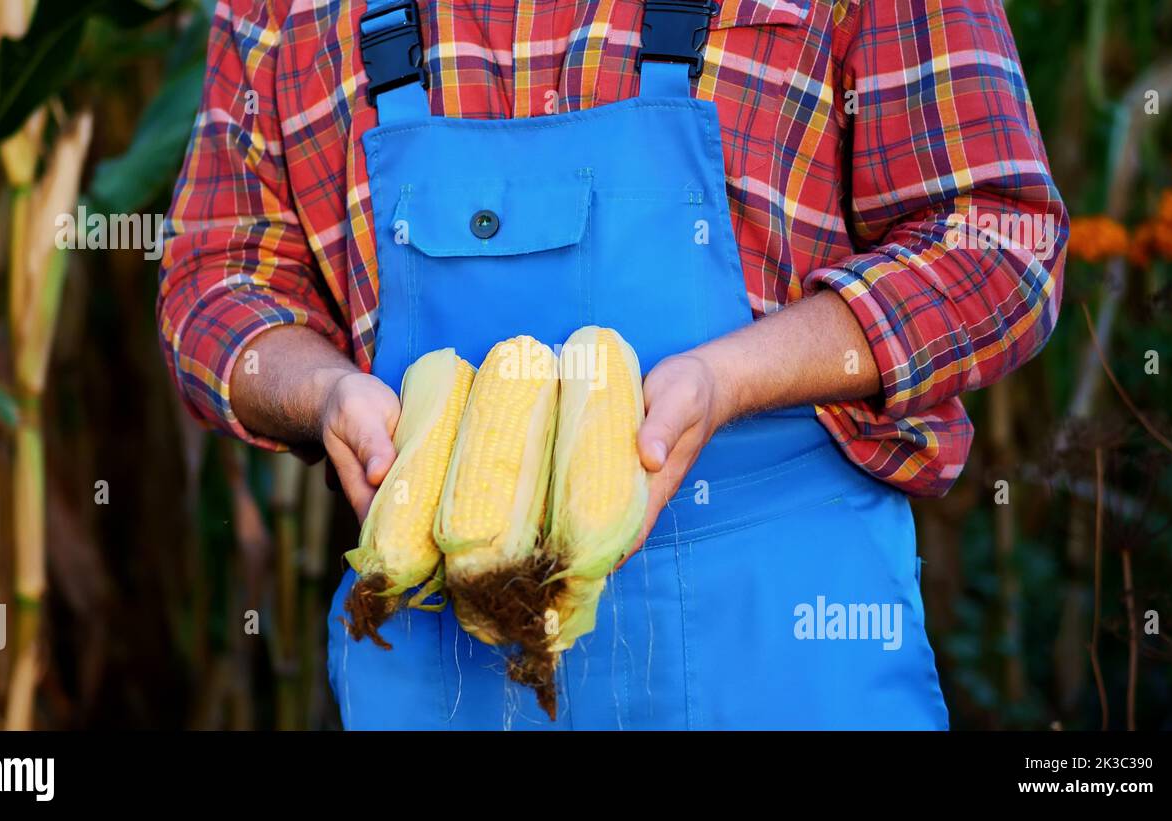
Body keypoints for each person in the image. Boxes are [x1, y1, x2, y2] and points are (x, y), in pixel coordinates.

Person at [158, 0, 1066, 729]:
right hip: (432, 654)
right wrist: (325, 394)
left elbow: (998, 246)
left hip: (779, 646)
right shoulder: (277, 12)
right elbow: (216, 284)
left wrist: (730, 379)